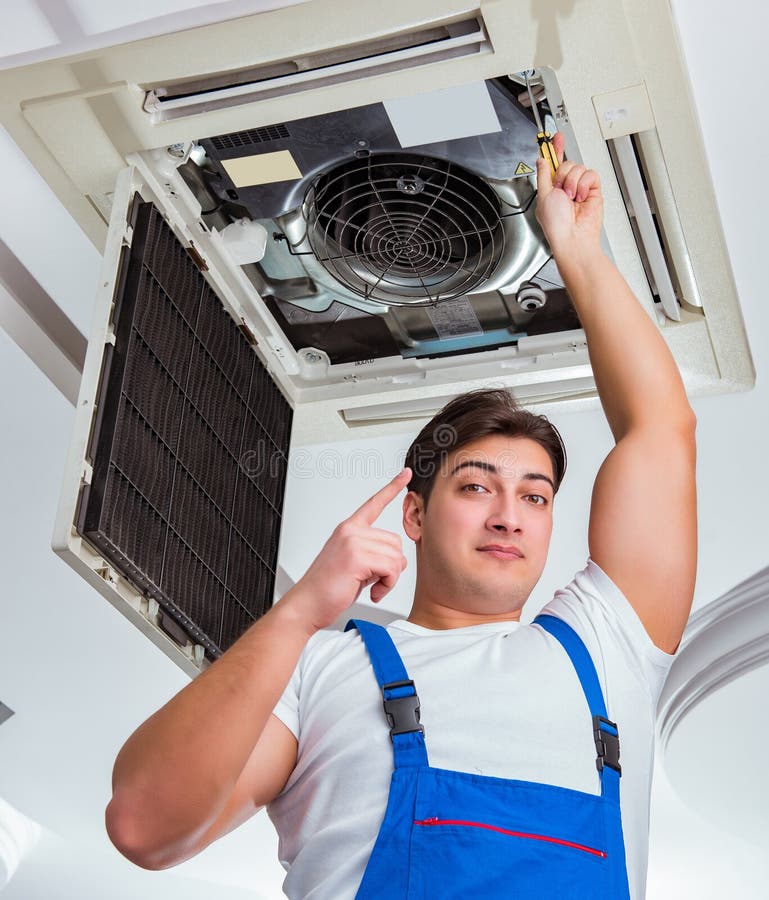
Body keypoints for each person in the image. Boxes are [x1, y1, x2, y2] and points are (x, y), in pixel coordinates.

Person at [105, 133, 697, 898]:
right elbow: (145, 826)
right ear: (412, 516)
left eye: (535, 495)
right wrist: (300, 615)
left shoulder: (606, 643)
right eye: (476, 486)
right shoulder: (319, 668)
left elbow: (659, 428)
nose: (509, 516)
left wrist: (579, 253)